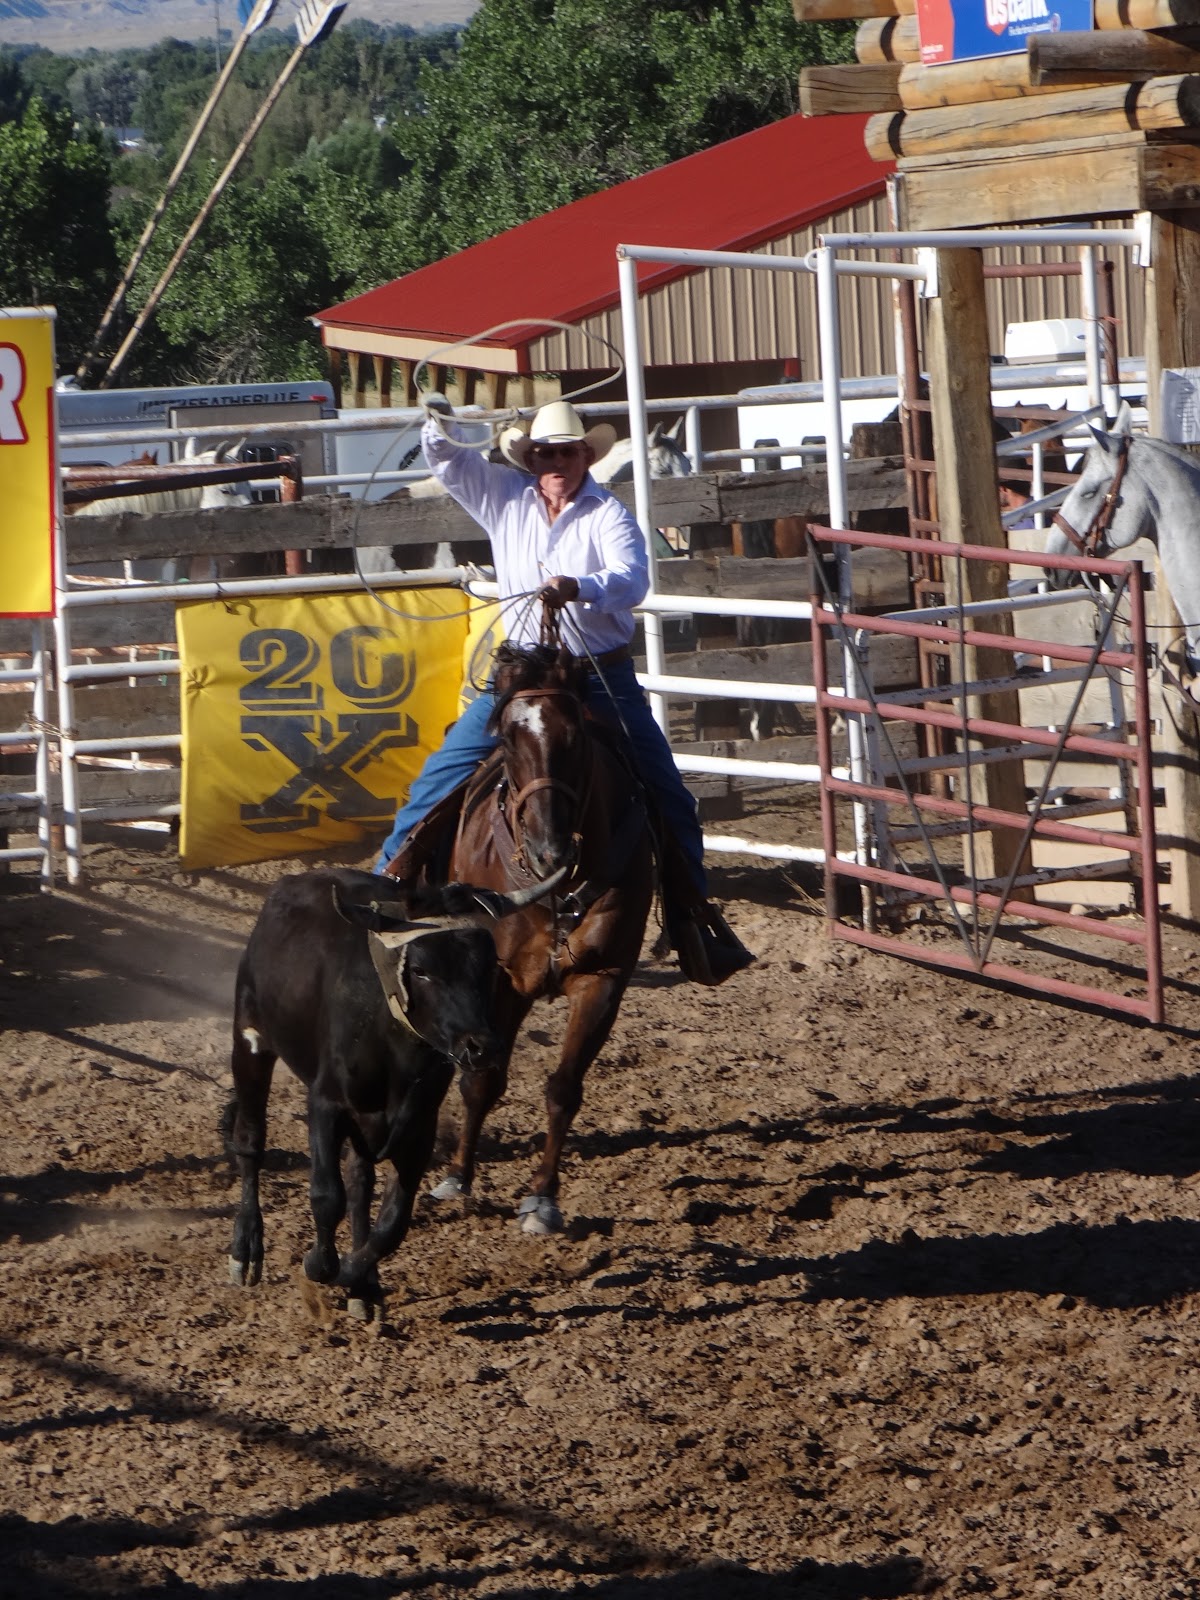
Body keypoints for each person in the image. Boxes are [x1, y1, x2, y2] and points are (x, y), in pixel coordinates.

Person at [375, 395, 754, 986]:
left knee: (666, 791)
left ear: (585, 456)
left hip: (597, 677)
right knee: (443, 772)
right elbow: (448, 463)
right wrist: (442, 425)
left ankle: (691, 916)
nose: (557, 463)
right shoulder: (502, 497)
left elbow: (631, 580)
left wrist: (580, 585)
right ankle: (388, 882)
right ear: (531, 458)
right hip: (522, 675)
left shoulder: (608, 514)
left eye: (568, 452)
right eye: (546, 453)